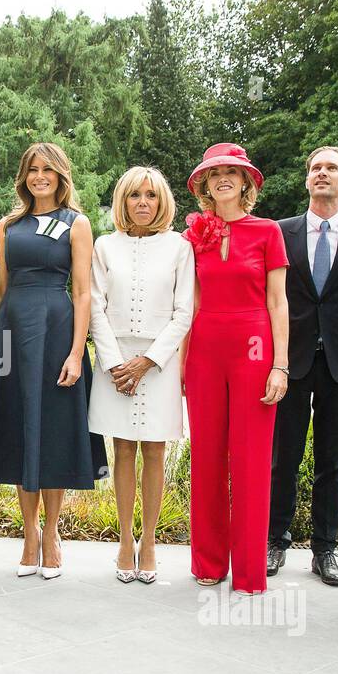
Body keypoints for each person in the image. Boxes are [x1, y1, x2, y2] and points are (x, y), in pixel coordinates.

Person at [0, 142, 108, 580]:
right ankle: (28, 532)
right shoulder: (8, 224)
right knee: (18, 428)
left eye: (47, 170)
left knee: (50, 432)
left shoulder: (78, 223)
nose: (39, 177)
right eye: (32, 170)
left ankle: (51, 533)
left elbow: (84, 292)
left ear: (61, 175)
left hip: (56, 332)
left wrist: (75, 352)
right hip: (13, 331)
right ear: (24, 176)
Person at [267, 146, 338, 585]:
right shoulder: (281, 231)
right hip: (288, 363)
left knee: (332, 462)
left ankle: (325, 550)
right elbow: (265, 296)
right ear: (307, 179)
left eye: (331, 168)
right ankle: (275, 541)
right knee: (283, 459)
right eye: (315, 168)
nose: (322, 173)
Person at [182, 143, 289, 594]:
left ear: (246, 182)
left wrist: (280, 365)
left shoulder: (267, 231)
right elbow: (192, 302)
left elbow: (278, 301)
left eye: (232, 171)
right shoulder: (194, 234)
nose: (223, 177)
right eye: (215, 173)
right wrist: (185, 363)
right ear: (205, 184)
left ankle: (249, 570)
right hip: (206, 345)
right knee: (206, 456)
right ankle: (208, 563)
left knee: (250, 460)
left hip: (253, 346)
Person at [88, 166, 194, 584]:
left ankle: (149, 542)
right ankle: (124, 539)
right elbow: (94, 305)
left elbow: (183, 311)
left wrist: (148, 361)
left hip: (158, 362)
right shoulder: (104, 246)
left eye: (151, 196)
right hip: (114, 362)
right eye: (135, 196)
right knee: (123, 451)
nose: (144, 203)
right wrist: (115, 362)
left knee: (153, 451)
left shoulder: (179, 247)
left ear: (162, 201)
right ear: (123, 202)